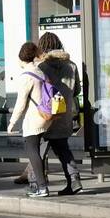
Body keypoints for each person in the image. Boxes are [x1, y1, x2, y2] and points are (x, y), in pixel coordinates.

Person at [37, 32, 84, 195]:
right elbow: (77, 90)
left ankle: (35, 183)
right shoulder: (71, 65)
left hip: (46, 114)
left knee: (38, 149)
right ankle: (74, 179)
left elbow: (37, 91)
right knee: (63, 149)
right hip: (64, 114)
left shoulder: (41, 66)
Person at [7, 42, 51, 198]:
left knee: (32, 152)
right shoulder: (39, 71)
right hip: (45, 117)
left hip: (33, 120)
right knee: (37, 152)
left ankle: (42, 187)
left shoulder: (26, 76)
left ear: (21, 57)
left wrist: (12, 122)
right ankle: (40, 185)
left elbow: (21, 103)